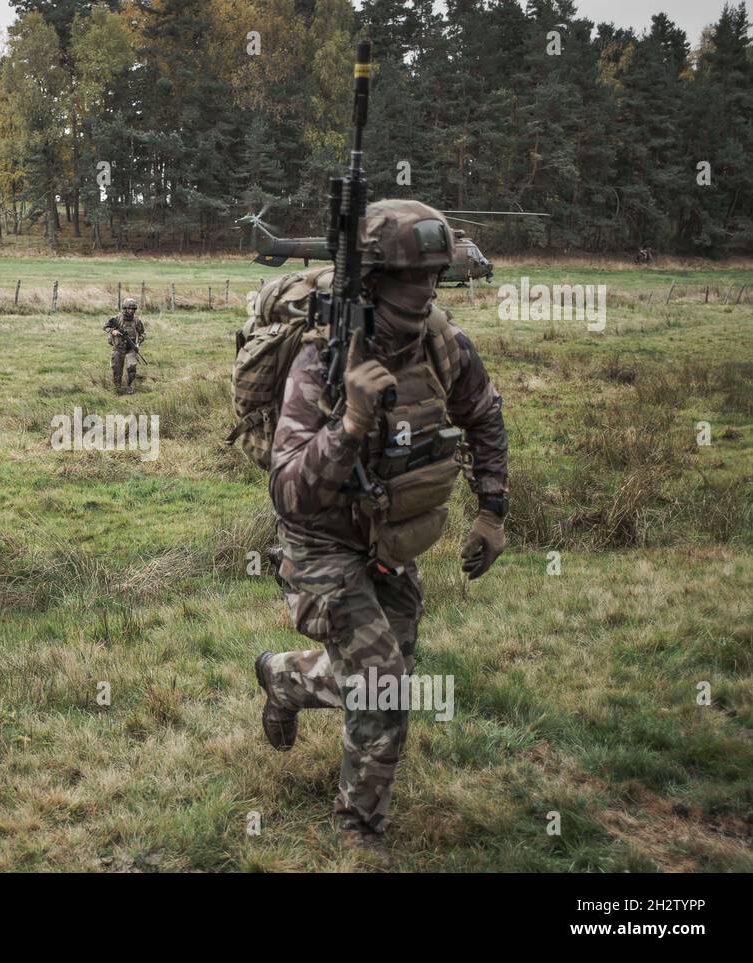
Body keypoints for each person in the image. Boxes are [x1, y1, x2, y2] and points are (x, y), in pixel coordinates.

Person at [254, 200, 509, 847]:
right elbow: (288, 492)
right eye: (407, 279)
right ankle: (358, 831)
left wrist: (492, 511)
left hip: (388, 535)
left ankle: (283, 677)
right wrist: (349, 426)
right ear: (371, 279)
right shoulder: (321, 360)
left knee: (385, 672)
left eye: (432, 277)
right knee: (382, 686)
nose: (423, 293)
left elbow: (484, 414)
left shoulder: (442, 344)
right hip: (320, 543)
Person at [104, 297, 146, 393]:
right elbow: (105, 326)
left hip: (131, 348)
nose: (131, 311)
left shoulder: (137, 321)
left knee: (132, 367)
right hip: (118, 348)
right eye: (129, 308)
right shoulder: (117, 318)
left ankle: (129, 386)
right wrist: (113, 331)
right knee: (117, 368)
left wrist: (138, 343)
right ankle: (117, 387)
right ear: (125, 308)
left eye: (133, 309)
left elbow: (143, 333)